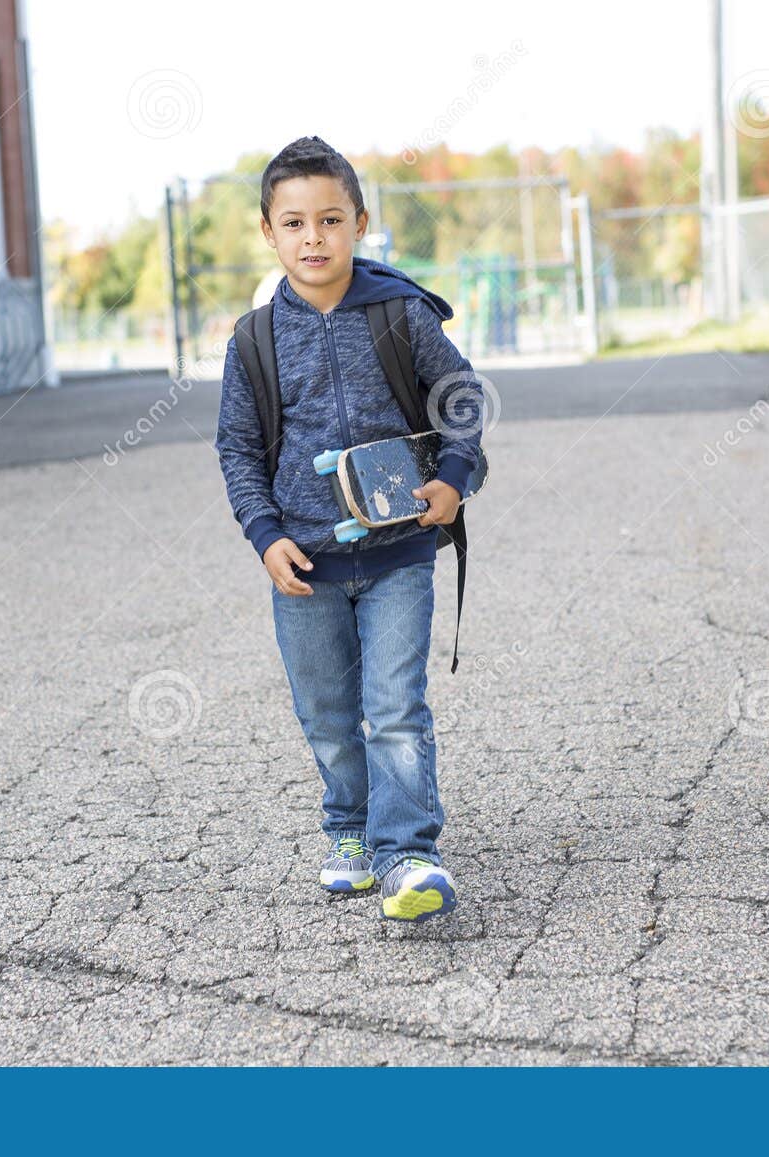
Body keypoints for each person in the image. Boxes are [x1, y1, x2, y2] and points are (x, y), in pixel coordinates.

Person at [213, 136, 485, 922]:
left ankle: (410, 854)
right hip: (303, 566)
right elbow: (235, 445)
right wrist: (265, 533)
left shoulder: (399, 314)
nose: (313, 239)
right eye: (293, 223)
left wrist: (453, 479)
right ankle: (351, 831)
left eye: (330, 220)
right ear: (269, 232)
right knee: (328, 714)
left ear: (359, 222)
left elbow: (460, 398)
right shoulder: (253, 340)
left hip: (400, 552)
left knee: (396, 704)